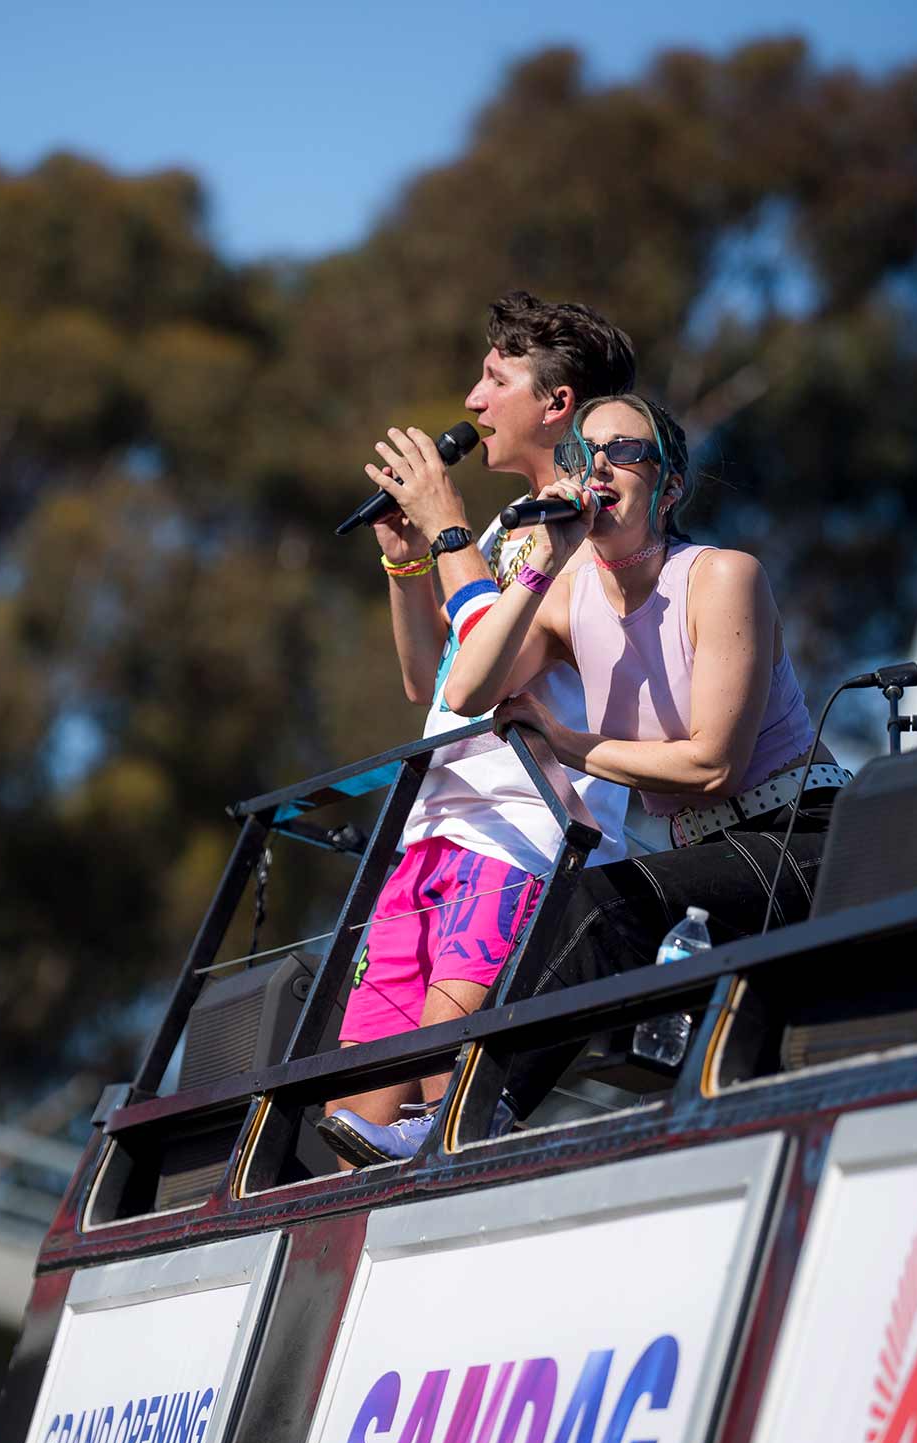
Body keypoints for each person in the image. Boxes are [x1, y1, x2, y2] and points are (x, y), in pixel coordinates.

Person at [317, 294, 638, 1169]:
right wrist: (406, 557)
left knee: (437, 1104)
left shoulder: (590, 519)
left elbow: (502, 667)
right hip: (434, 826)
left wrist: (446, 525)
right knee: (354, 1119)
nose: (471, 400)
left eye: (495, 379)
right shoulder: (501, 530)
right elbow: (437, 685)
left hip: (522, 832)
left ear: (556, 403)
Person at [436, 393, 844, 1012]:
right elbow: (466, 692)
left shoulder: (721, 576)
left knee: (599, 905)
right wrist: (542, 561)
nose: (598, 467)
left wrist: (563, 743)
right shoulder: (567, 594)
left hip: (799, 833)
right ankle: (472, 1106)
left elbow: (713, 766)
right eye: (582, 453)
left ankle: (473, 1108)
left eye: (624, 452)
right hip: (704, 853)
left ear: (670, 488)